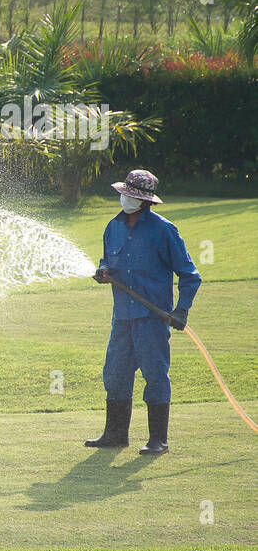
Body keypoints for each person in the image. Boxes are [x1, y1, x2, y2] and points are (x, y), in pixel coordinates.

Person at [85, 169, 201, 455]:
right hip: (122, 317)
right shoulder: (113, 226)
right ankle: (115, 434)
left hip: (152, 317)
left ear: (145, 200)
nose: (125, 199)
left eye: (131, 195)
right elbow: (107, 260)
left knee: (155, 376)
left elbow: (190, 275)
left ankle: (157, 440)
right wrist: (103, 271)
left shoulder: (164, 230)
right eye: (124, 193)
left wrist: (181, 310)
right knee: (115, 374)